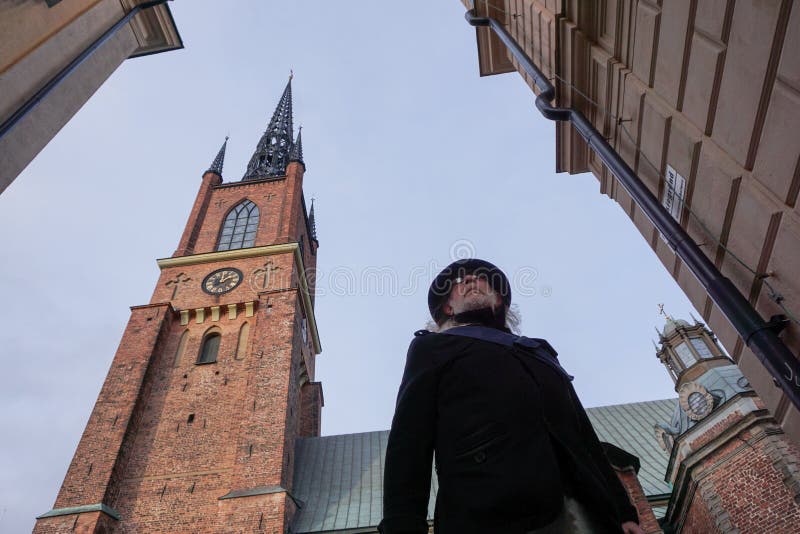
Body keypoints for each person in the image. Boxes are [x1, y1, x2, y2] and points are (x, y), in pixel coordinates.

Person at [378, 259, 645, 534]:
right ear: (447, 308)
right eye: (458, 282)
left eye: (480, 278)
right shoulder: (431, 347)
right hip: (491, 509)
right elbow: (409, 439)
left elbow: (585, 437)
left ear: (499, 302)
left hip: (585, 511)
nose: (470, 280)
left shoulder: (539, 353)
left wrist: (623, 512)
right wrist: (403, 525)